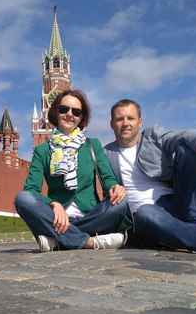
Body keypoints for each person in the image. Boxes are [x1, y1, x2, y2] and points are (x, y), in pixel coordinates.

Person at [104, 99, 196, 259]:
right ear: (112, 124)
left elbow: (184, 135)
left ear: (140, 122)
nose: (125, 123)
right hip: (147, 219)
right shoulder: (105, 154)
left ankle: (192, 227)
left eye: (130, 118)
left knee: (187, 148)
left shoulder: (152, 136)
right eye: (119, 119)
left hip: (179, 204)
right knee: (144, 212)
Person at [15, 89, 128, 252]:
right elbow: (31, 190)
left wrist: (114, 187)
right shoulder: (43, 151)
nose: (69, 114)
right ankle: (88, 241)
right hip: (57, 218)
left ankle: (60, 240)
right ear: (55, 112)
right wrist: (53, 204)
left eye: (76, 112)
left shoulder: (92, 145)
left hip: (91, 216)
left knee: (121, 201)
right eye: (64, 109)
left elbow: (107, 178)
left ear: (81, 118)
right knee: (23, 199)